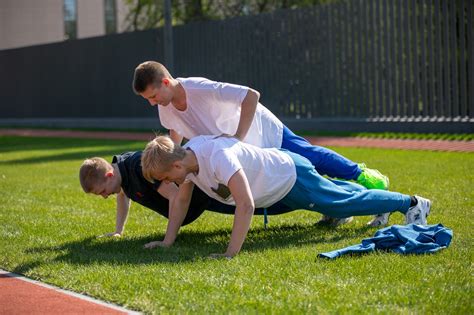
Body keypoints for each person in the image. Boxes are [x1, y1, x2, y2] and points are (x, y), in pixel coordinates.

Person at [132, 61, 390, 226]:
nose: (152, 103)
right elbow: (175, 136)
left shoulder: (199, 88)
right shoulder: (165, 108)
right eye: (148, 100)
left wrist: (237, 138)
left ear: (166, 82)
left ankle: (366, 177)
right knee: (303, 178)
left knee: (312, 158)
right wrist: (167, 163)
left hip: (263, 131)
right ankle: (343, 206)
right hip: (247, 153)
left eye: (153, 96)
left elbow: (250, 95)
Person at [140, 135, 432, 258]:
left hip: (289, 176)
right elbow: (180, 201)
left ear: (176, 165)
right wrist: (167, 241)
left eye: (167, 178)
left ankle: (412, 203)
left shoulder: (217, 157)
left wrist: (230, 254)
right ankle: (382, 202)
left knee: (341, 203)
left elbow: (245, 204)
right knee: (338, 195)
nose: (170, 184)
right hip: (282, 178)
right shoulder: (188, 162)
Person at [78, 151, 295, 246]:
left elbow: (176, 197)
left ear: (109, 175)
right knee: (259, 203)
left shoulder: (136, 166)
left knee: (264, 203)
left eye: (102, 191)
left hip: (203, 197)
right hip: (197, 205)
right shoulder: (120, 175)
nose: (105, 196)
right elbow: (123, 196)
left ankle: (300, 198)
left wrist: (168, 240)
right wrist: (118, 231)